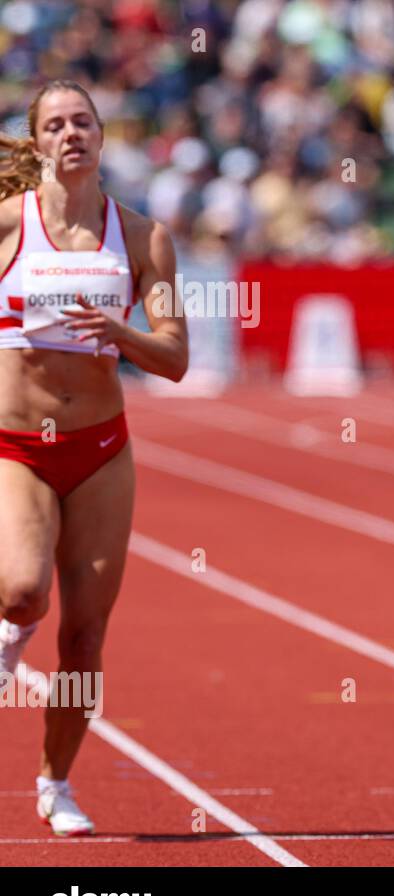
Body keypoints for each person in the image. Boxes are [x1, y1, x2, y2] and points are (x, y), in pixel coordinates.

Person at [0, 80, 189, 835]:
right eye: (55, 124)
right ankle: (10, 639)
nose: (71, 133)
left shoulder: (142, 237)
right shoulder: (11, 223)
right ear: (39, 143)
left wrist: (122, 337)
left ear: (102, 135)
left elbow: (174, 358)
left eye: (83, 121)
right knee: (20, 589)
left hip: (102, 450)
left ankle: (56, 783)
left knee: (84, 633)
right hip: (17, 444)